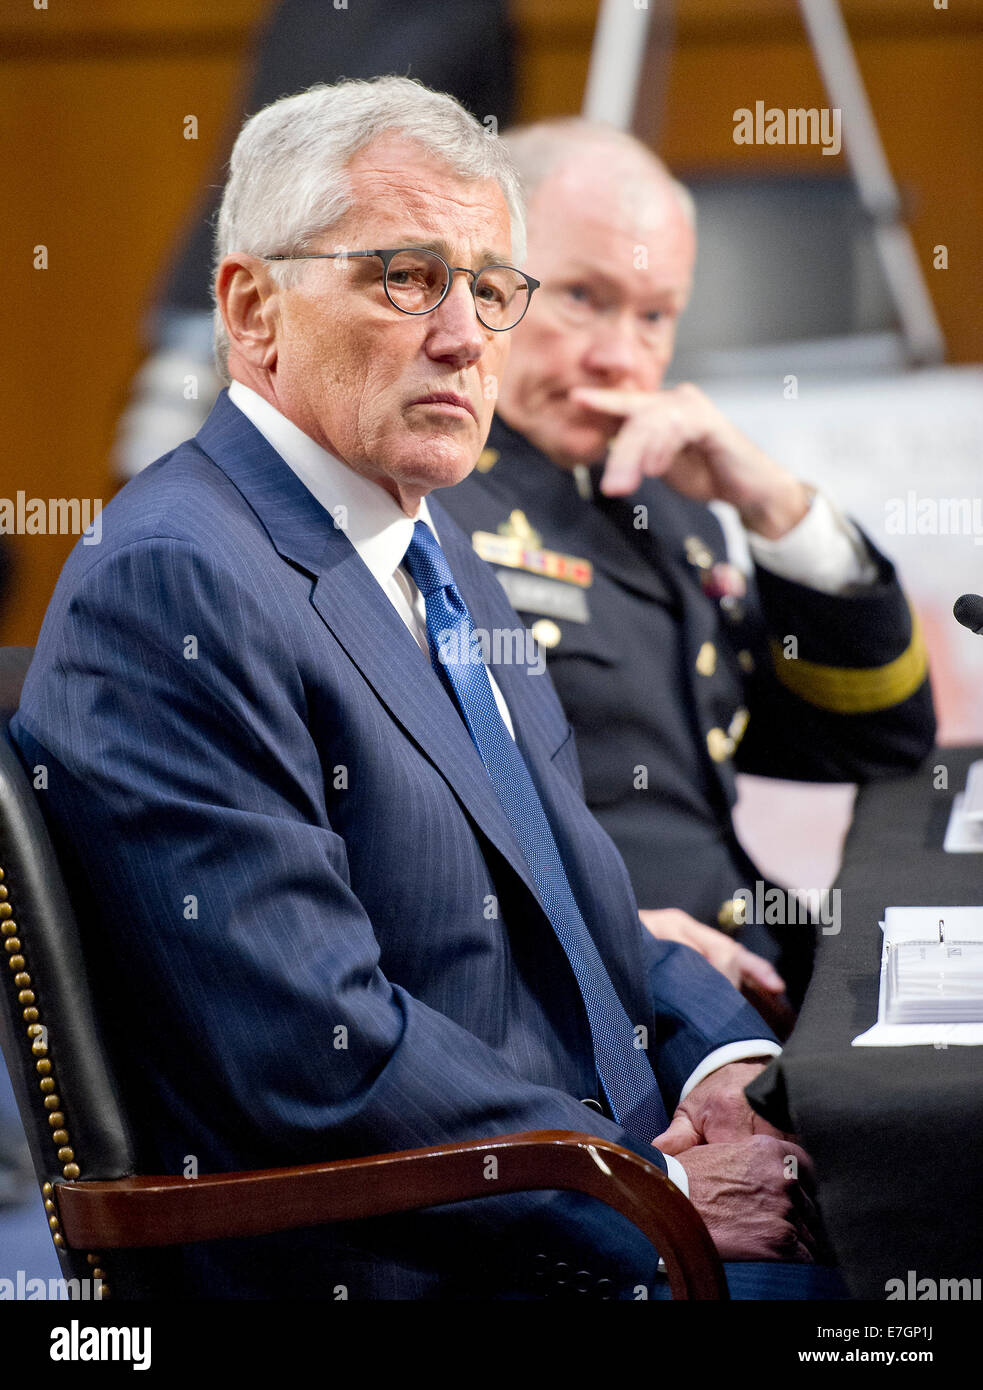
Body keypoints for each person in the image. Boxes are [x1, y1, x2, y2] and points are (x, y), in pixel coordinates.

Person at [12, 78, 840, 1300]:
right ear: (253, 308)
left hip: (569, 1170)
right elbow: (313, 1059)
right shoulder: (180, 582)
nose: (463, 336)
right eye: (404, 278)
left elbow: (569, 892)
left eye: (493, 290)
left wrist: (725, 1065)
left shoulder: (420, 531)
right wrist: (651, 1197)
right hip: (426, 1255)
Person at [436, 120, 936, 1012]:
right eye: (583, 297)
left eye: (655, 314)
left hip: (750, 968)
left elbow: (873, 738)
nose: (621, 356)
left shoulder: (661, 500)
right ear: (485, 283)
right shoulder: (426, 508)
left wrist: (777, 508)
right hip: (601, 1007)